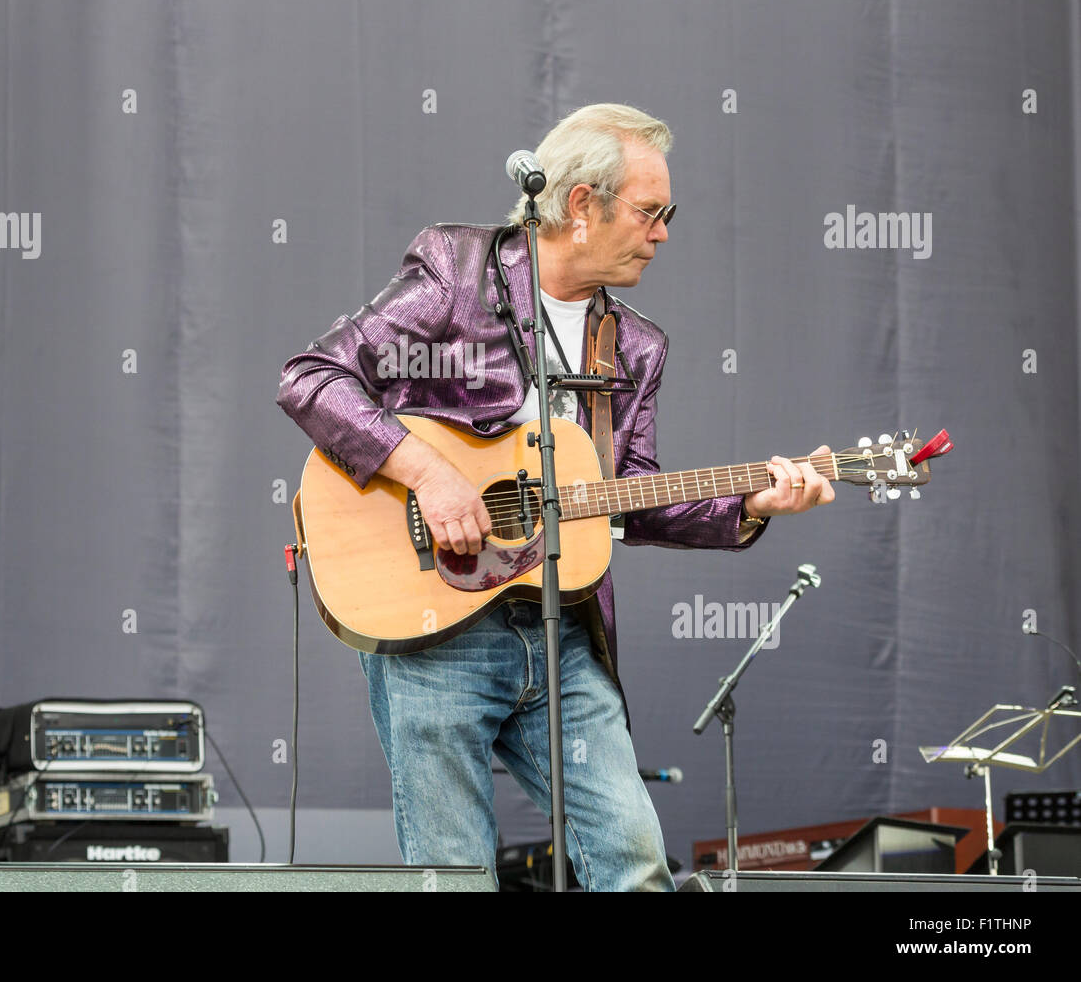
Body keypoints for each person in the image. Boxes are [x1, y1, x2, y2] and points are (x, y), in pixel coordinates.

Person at [276, 102, 835, 890]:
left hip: (565, 631)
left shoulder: (634, 347)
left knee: (636, 865)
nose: (665, 231)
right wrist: (431, 476)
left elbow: (627, 496)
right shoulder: (455, 274)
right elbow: (311, 377)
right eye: (651, 211)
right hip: (433, 627)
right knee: (456, 879)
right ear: (580, 204)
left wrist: (750, 505)